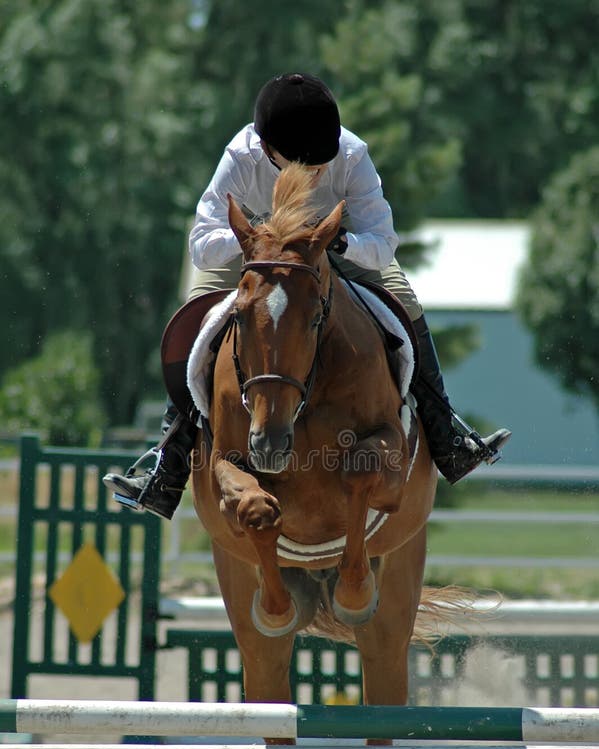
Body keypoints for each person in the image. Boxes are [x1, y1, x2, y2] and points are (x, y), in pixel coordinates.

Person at [104, 72, 510, 519]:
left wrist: (340, 243)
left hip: (334, 245)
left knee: (404, 299)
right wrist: (257, 241)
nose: (316, 171)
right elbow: (202, 243)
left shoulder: (351, 154)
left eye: (321, 162)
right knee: (196, 314)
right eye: (301, 163)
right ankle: (167, 463)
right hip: (252, 251)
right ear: (266, 149)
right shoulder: (241, 156)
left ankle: (448, 434)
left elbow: (383, 242)